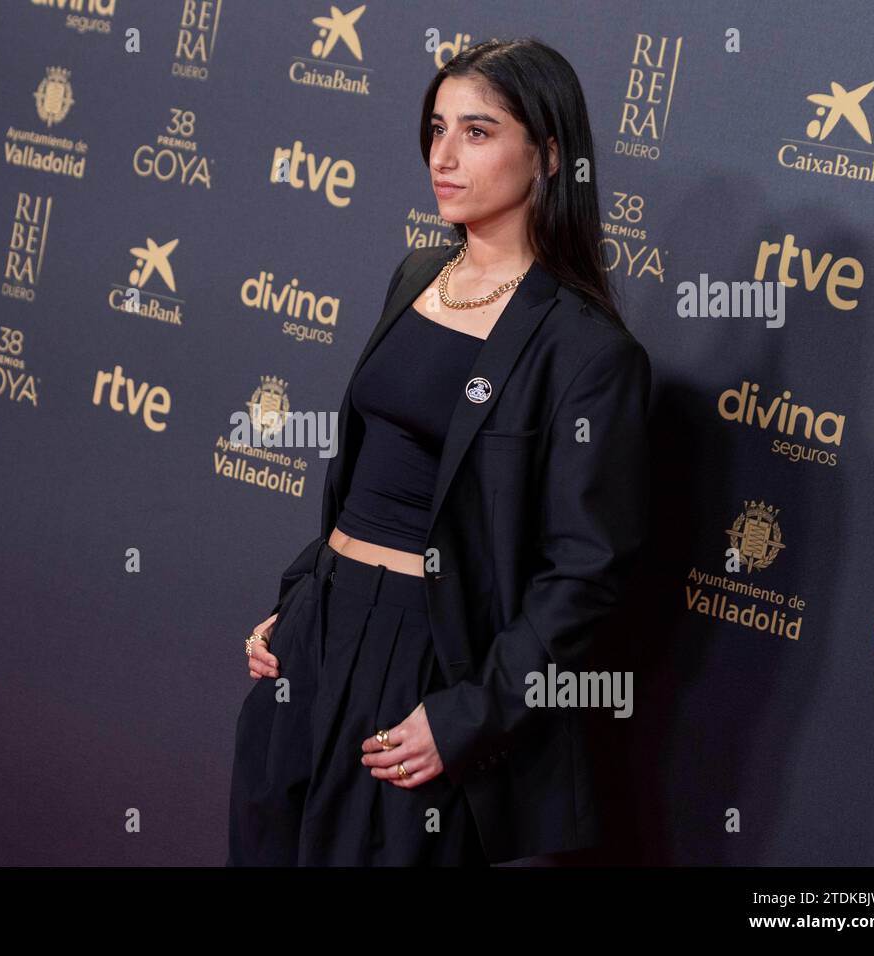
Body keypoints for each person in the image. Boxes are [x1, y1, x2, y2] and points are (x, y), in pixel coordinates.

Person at [227, 37, 652, 866]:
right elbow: (377, 469)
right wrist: (303, 598)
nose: (444, 156)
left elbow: (586, 576)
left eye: (479, 131)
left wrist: (469, 715)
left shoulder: (588, 353)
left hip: (428, 659)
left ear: (551, 154)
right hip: (317, 634)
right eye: (436, 127)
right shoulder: (415, 272)